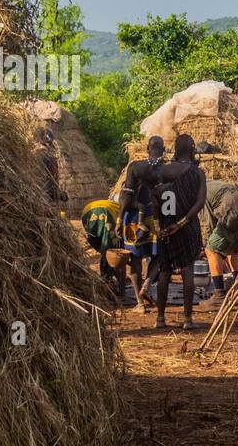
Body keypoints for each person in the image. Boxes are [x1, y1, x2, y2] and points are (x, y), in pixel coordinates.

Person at [149, 135, 207, 330]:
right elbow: (199, 203)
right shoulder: (197, 173)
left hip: (164, 228)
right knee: (187, 270)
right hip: (187, 226)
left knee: (164, 271)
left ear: (174, 149)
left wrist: (158, 228)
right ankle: (187, 319)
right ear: (192, 149)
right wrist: (182, 223)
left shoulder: (162, 171)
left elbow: (154, 200)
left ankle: (160, 318)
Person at [117, 136, 165, 312]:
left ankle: (140, 303)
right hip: (155, 219)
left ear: (147, 149)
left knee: (135, 259)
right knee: (158, 256)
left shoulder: (135, 167)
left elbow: (127, 197)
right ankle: (147, 285)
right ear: (164, 150)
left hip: (132, 220)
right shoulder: (166, 170)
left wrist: (118, 220)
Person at [198, 179, 238, 309]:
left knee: (211, 250)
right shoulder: (215, 185)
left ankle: (219, 295)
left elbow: (208, 223)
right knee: (233, 251)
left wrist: (208, 245)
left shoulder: (200, 192)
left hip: (234, 213)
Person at [81, 196, 126, 297]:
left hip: (86, 212)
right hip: (106, 213)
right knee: (115, 252)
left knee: (104, 250)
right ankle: (120, 291)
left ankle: (106, 280)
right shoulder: (122, 208)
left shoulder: (112, 203)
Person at [33, 128, 66, 209]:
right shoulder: (48, 156)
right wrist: (57, 192)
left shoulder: (32, 151)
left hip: (33, 189)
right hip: (45, 191)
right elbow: (53, 176)